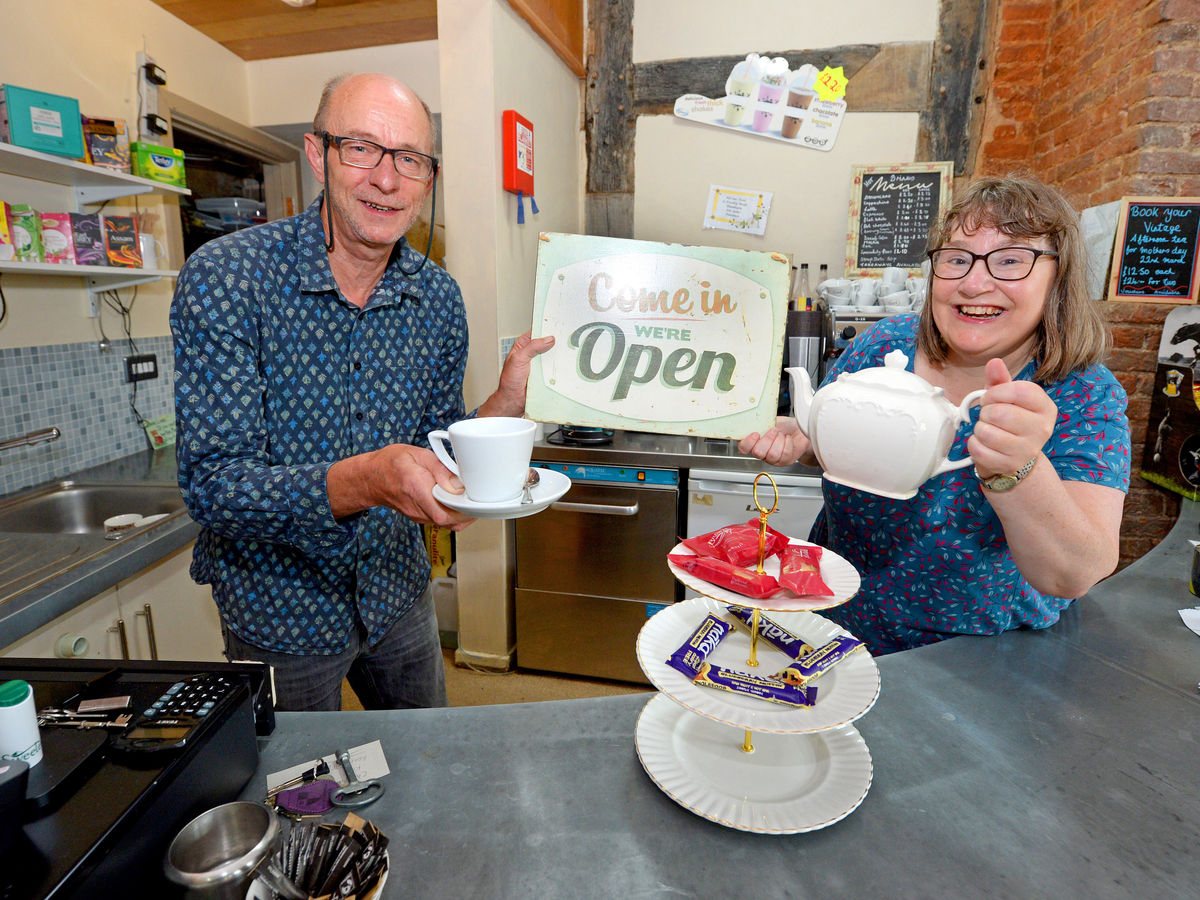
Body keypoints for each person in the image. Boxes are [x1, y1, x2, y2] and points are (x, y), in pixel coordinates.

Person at [170, 73, 553, 710]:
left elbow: (438, 446)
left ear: (428, 176)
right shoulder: (228, 277)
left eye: (410, 158)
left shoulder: (436, 298)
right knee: (297, 796)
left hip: (398, 595)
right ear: (317, 154)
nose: (386, 178)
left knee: (428, 767)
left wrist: (504, 405)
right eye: (361, 148)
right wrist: (370, 479)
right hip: (279, 616)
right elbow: (215, 487)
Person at [740, 175, 1130, 654]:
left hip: (978, 659)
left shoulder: (1082, 394)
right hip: (833, 624)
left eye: (1010, 260)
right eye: (957, 258)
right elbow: (838, 456)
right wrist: (804, 441)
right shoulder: (882, 344)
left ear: (1058, 278)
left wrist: (1017, 469)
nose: (974, 282)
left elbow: (1071, 574)